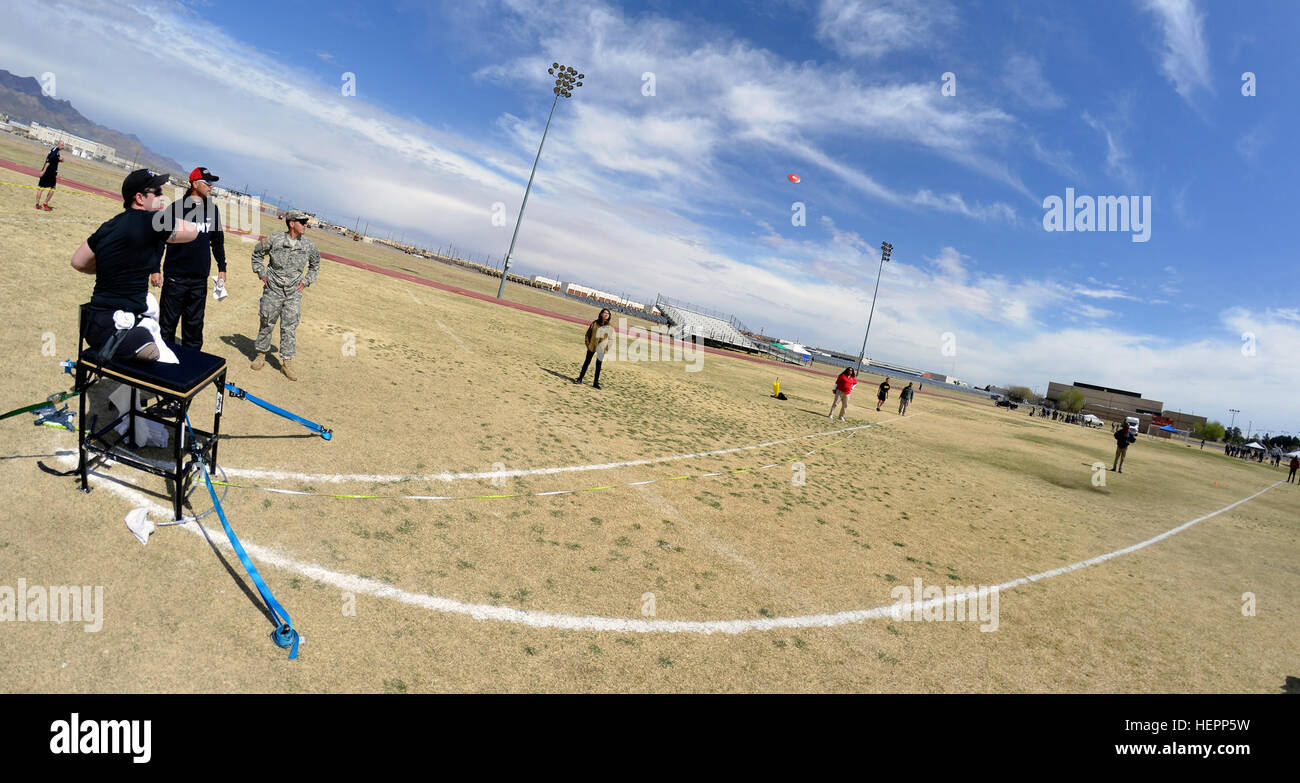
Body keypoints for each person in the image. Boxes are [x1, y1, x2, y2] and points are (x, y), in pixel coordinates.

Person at [70, 169, 199, 361]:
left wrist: (114, 265)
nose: (162, 197)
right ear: (139, 198)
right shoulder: (151, 221)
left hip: (94, 324)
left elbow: (78, 262)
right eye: (157, 193)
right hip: (119, 329)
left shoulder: (109, 225)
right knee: (164, 358)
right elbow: (192, 231)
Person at [155, 167, 226, 349]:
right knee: (166, 327)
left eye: (212, 182)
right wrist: (155, 269)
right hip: (175, 278)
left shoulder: (213, 210)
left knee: (194, 329)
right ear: (195, 184)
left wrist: (222, 269)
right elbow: (159, 241)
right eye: (207, 182)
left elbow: (217, 242)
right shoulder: (176, 208)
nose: (211, 186)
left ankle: (191, 367)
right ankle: (162, 367)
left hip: (199, 281)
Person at [250, 209, 320, 381]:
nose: (306, 225)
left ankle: (287, 364)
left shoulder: (308, 245)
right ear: (291, 223)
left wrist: (306, 281)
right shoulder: (275, 239)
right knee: (267, 321)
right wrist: (262, 274)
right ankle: (261, 355)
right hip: (273, 289)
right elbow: (257, 254)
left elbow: (315, 264)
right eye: (302, 222)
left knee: (289, 327)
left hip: (293, 293)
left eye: (306, 223)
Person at [574, 308, 614, 389]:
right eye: (604, 312)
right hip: (592, 346)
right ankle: (580, 378)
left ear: (609, 316)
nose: (606, 314)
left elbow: (611, 339)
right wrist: (588, 344)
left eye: (608, 313)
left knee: (598, 365)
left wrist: (606, 348)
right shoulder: (595, 323)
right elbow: (587, 334)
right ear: (601, 314)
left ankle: (595, 383)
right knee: (586, 363)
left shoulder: (609, 326)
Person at [35, 141, 64, 211]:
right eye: (62, 145)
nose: (63, 147)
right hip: (50, 173)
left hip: (48, 172)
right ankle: (45, 203)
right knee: (53, 188)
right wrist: (43, 172)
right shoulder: (55, 152)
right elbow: (48, 162)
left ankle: (37, 204)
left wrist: (59, 160)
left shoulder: (54, 149)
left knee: (41, 188)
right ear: (59, 145)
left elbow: (53, 160)